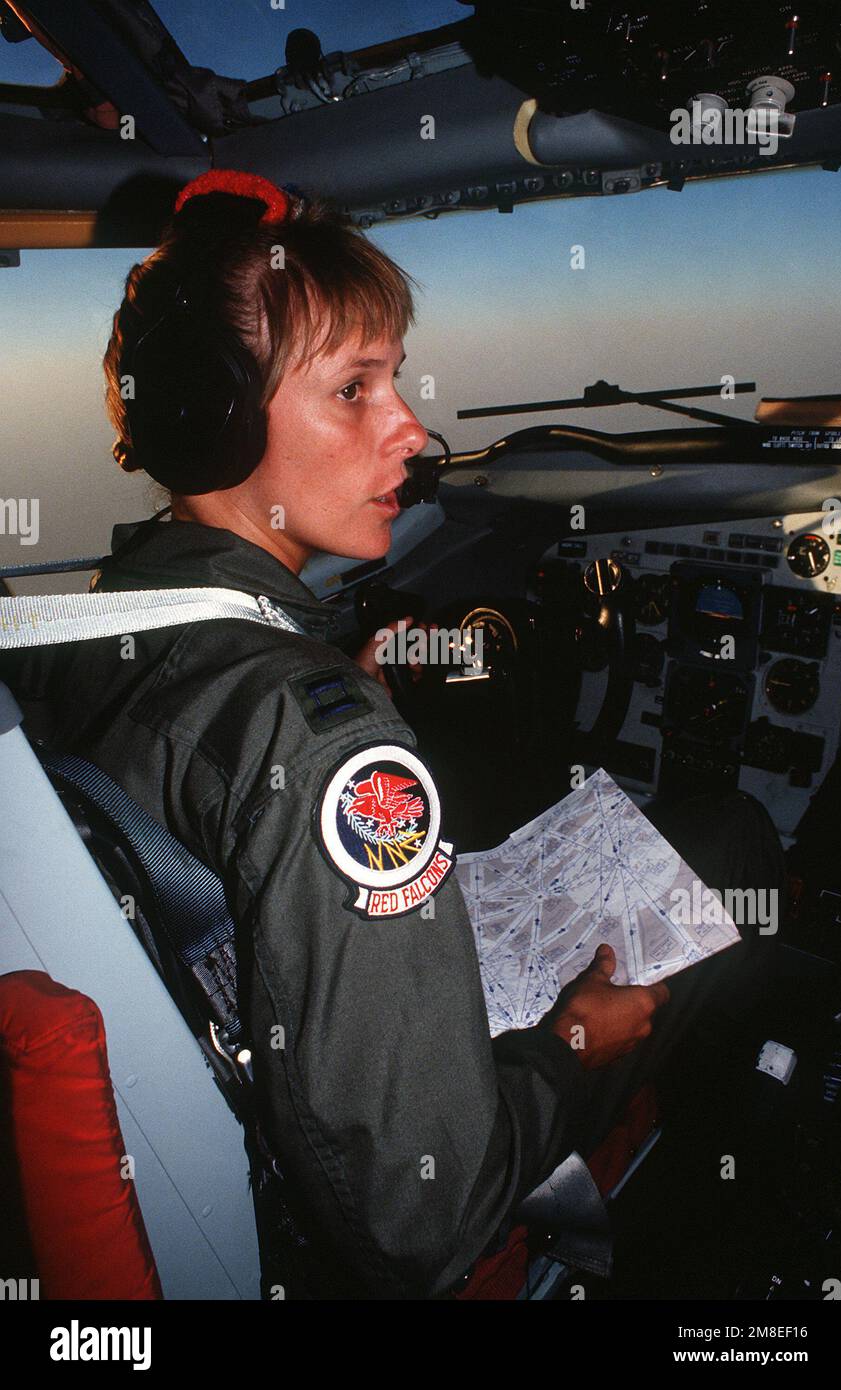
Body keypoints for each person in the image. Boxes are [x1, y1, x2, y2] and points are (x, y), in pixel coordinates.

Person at [0, 170, 783, 1300]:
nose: (412, 429)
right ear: (218, 425)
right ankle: (723, 1190)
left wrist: (335, 686)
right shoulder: (323, 741)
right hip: (357, 1201)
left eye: (396, 380)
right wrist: (573, 1044)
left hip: (249, 1064)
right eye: (355, 389)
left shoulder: (72, 640)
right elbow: (423, 1216)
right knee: (734, 841)